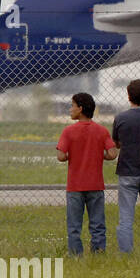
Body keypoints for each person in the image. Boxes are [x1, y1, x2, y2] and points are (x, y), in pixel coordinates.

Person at [57, 93, 118, 255]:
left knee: (74, 226)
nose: (70, 109)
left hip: (75, 186)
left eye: (72, 106)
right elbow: (112, 153)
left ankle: (76, 254)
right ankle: (98, 252)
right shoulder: (101, 130)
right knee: (97, 224)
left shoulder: (68, 131)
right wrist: (99, 154)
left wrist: (73, 155)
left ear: (81, 109)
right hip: (95, 185)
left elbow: (61, 156)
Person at [111, 79, 140, 253]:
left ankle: (125, 252)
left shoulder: (121, 118)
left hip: (127, 170)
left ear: (128, 96)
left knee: (125, 217)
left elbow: (116, 143)